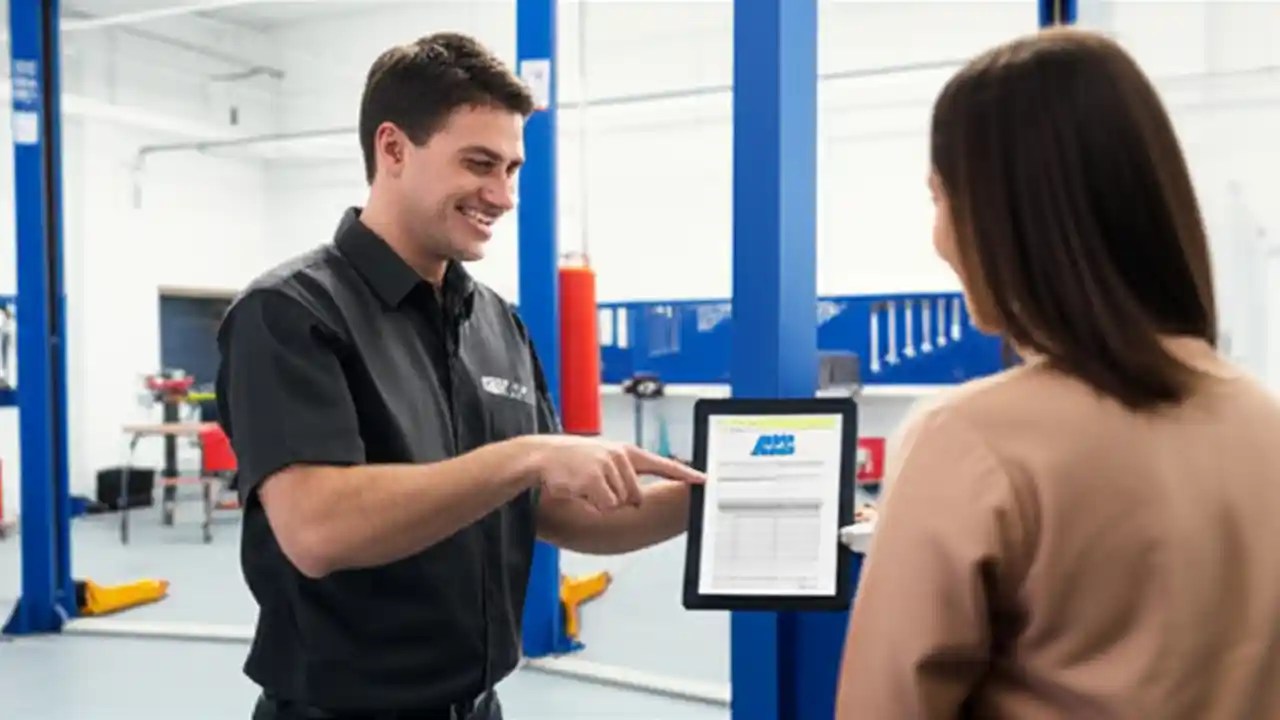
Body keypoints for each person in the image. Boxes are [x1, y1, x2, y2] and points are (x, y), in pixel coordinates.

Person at [215, 32, 705, 720]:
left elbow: (555, 510)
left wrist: (722, 496)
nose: (502, 195)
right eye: (478, 163)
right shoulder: (289, 313)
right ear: (392, 149)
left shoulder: (496, 325)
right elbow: (318, 529)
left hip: (478, 706)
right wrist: (528, 454)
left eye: (512, 169)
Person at [836, 27, 1280, 719]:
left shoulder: (970, 439)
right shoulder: (1263, 422)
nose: (938, 235)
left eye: (938, 198)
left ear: (999, 215)